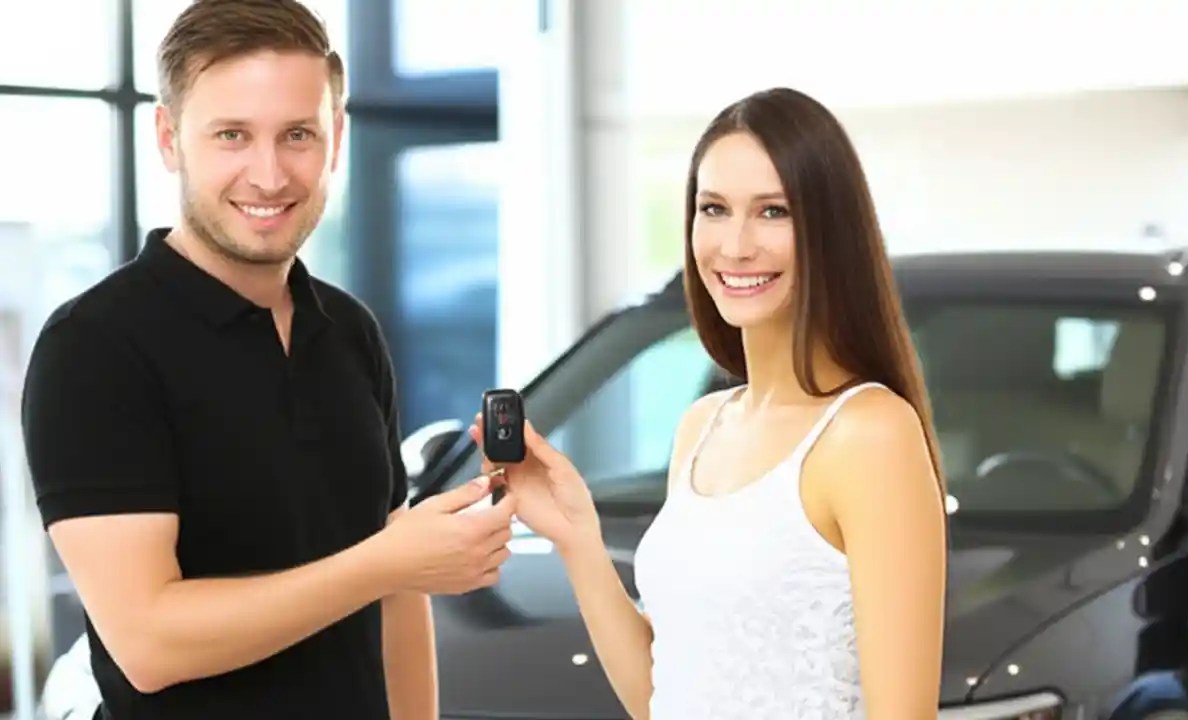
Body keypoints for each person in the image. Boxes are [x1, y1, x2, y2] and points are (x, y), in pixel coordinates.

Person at [20, 1, 515, 718]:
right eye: (231, 135)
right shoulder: (95, 347)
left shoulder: (349, 331)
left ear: (336, 137)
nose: (269, 173)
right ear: (168, 137)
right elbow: (148, 643)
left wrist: (394, 569)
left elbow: (399, 605)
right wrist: (383, 562)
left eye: (297, 135)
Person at [470, 87, 949, 719]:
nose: (736, 244)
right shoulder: (703, 426)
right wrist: (576, 536)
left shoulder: (870, 433)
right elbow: (660, 698)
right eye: (714, 208)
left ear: (828, 230)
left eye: (773, 212)